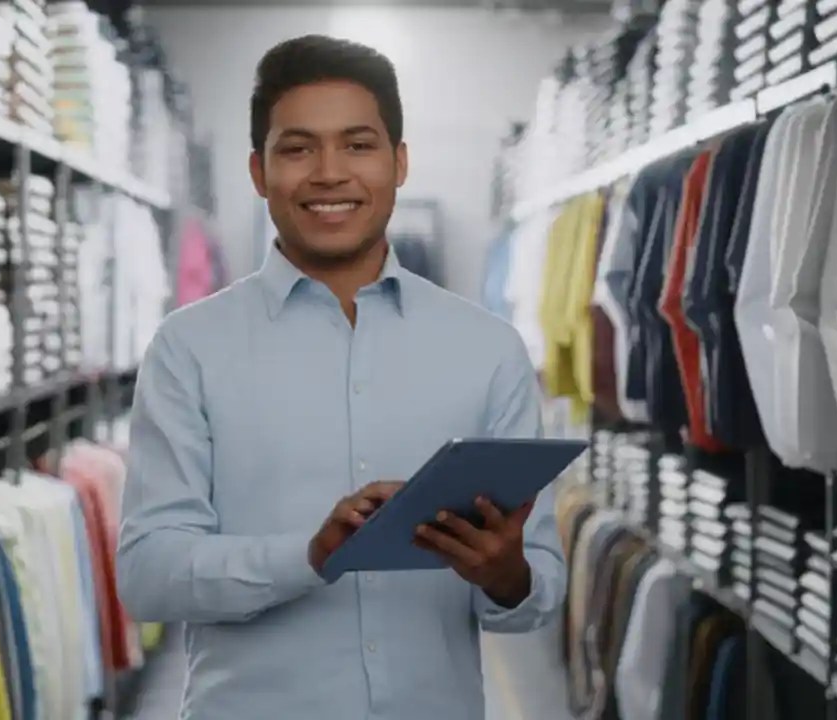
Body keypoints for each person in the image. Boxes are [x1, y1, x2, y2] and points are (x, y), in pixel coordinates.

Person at [116, 34, 566, 720]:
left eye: (358, 145)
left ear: (400, 162)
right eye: (297, 148)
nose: (330, 173)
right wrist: (311, 554)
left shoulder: (488, 350)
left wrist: (505, 574)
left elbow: (533, 597)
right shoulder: (188, 349)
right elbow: (149, 576)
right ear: (258, 172)